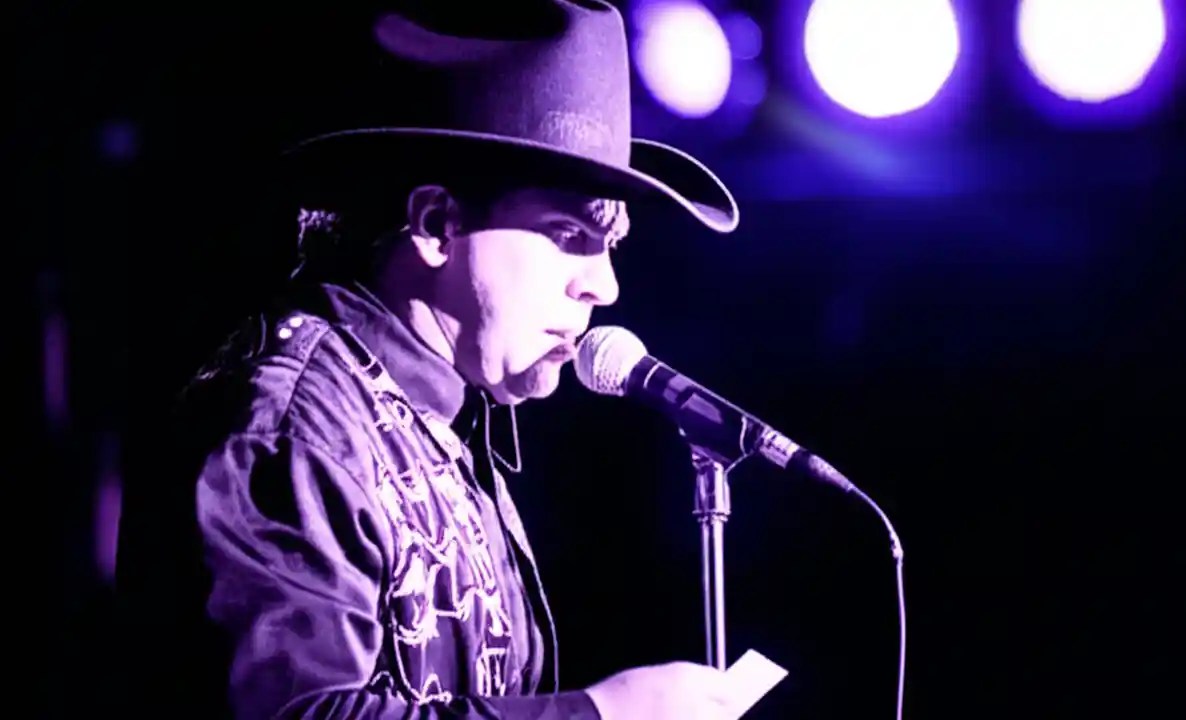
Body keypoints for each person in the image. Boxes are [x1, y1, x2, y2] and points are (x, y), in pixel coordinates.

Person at [114, 2, 742, 719]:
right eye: (569, 234)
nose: (604, 284)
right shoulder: (291, 424)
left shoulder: (444, 422)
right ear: (439, 225)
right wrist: (598, 715)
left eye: (611, 245)